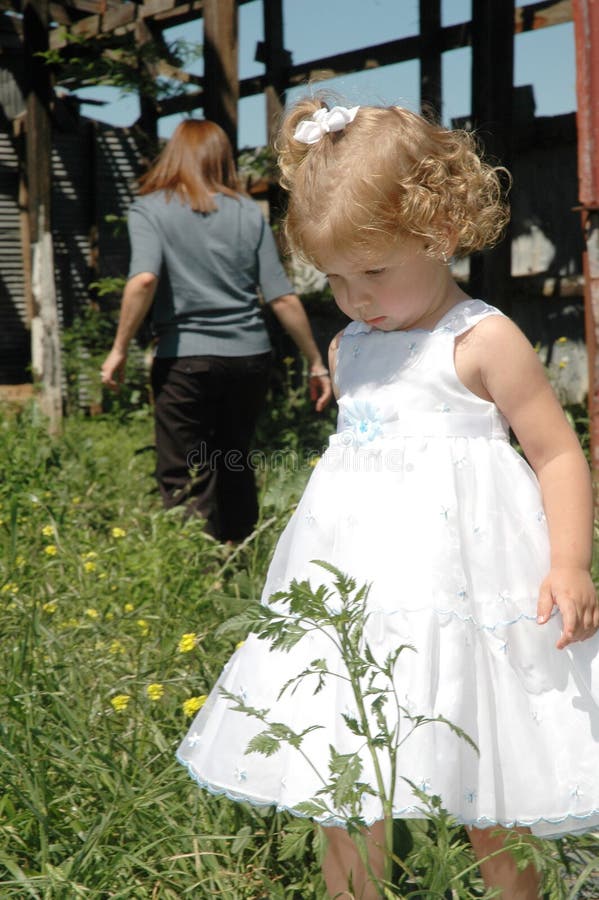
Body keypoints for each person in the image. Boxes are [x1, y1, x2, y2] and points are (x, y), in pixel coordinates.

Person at [176, 99, 599, 899]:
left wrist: (570, 563)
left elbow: (555, 454)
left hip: (472, 591)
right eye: (332, 277)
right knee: (349, 772)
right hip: (357, 590)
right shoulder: (350, 345)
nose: (355, 296)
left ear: (437, 233)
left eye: (372, 271)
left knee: (490, 770)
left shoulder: (482, 340)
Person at [101, 119, 331, 543]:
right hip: (250, 359)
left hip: (185, 359)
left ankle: (196, 565)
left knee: (183, 465)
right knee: (232, 456)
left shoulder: (150, 209)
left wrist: (118, 349)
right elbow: (280, 295)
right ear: (222, 158)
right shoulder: (247, 210)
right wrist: (316, 363)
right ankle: (239, 550)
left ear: (174, 154)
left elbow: (144, 280)